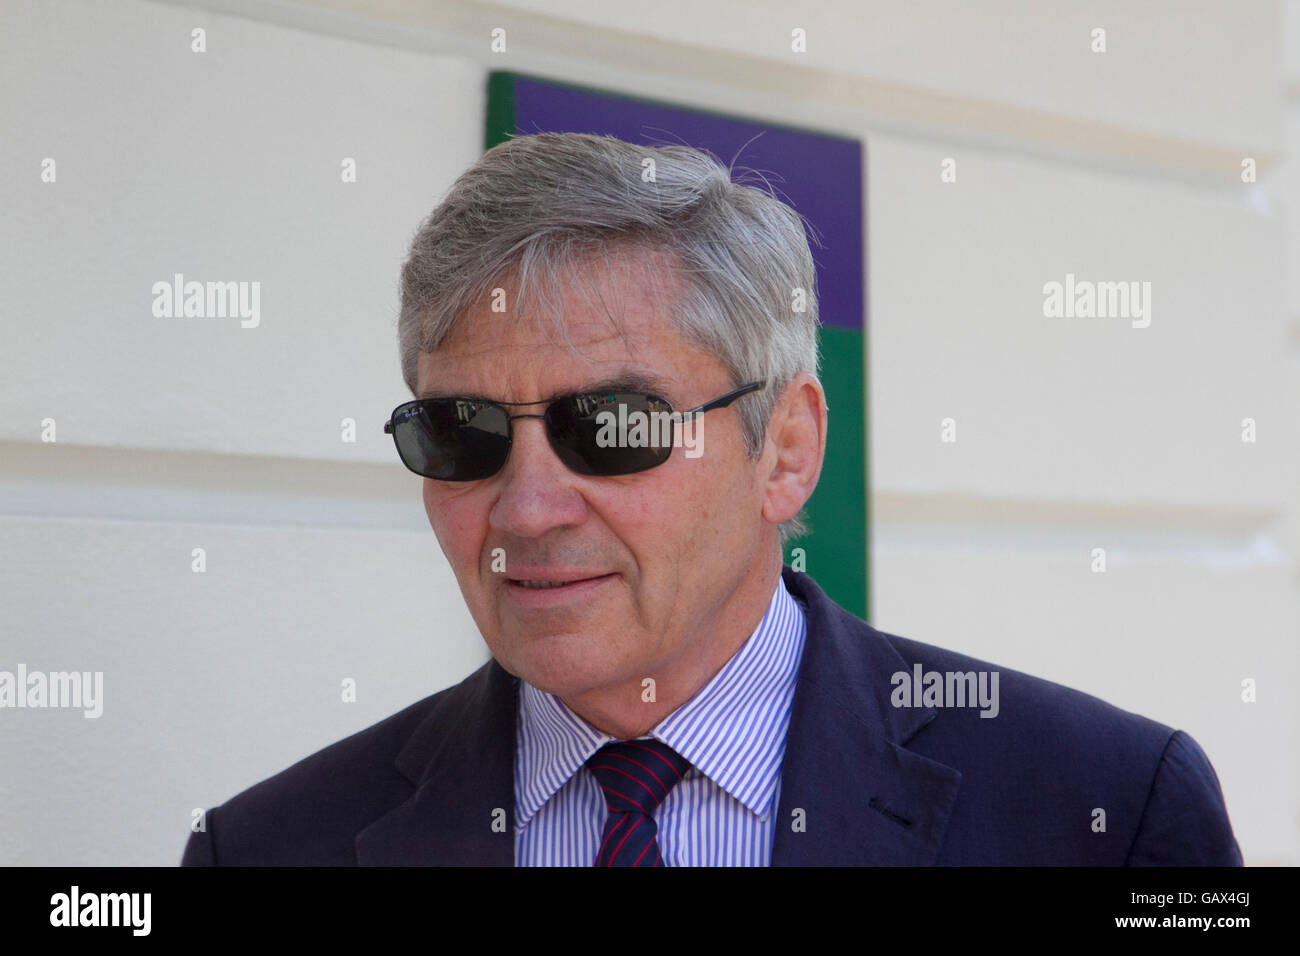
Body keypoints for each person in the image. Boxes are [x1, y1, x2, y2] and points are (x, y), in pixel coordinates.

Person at [182, 132, 1241, 866]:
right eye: (466, 434)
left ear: (784, 448)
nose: (526, 508)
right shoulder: (273, 845)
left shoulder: (1103, 809)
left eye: (614, 427)